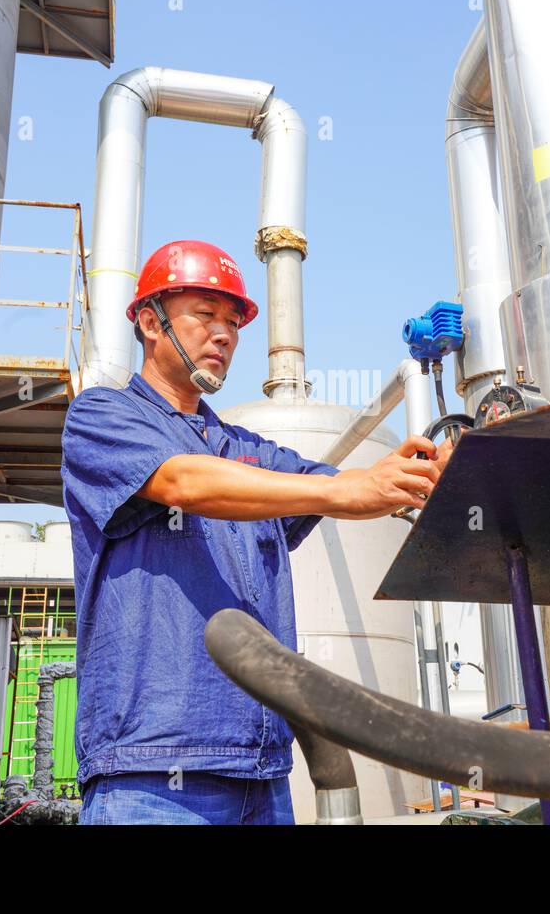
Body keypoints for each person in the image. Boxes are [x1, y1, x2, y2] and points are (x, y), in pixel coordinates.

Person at [62, 239, 450, 824]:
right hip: (153, 776)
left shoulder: (243, 449)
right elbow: (182, 481)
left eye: (233, 322)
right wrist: (342, 489)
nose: (223, 335)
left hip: (262, 776)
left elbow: (351, 485)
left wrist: (416, 473)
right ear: (149, 321)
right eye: (204, 315)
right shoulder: (102, 416)